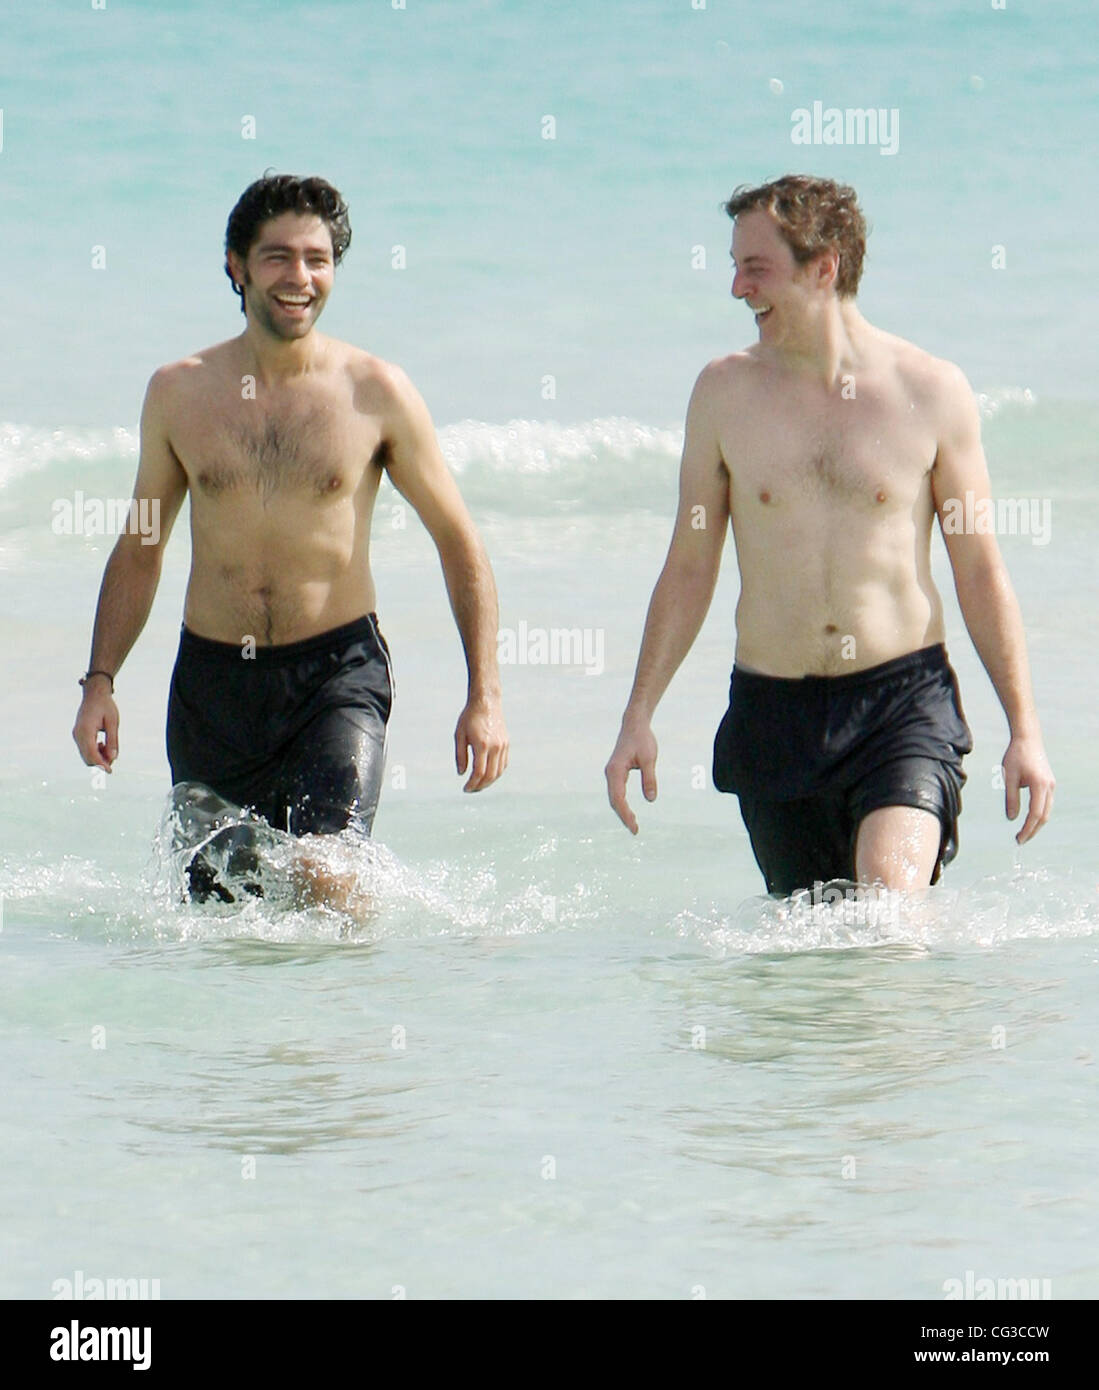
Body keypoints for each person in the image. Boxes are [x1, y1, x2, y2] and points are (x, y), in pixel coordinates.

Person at [605, 174, 1053, 897]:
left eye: (755, 268)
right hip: (772, 711)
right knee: (809, 952)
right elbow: (689, 565)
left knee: (887, 908)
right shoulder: (722, 395)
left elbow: (978, 569)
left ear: (824, 266)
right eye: (733, 265)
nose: (735, 288)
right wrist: (638, 715)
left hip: (899, 703)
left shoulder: (930, 391)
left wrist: (1023, 730)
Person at [73, 173, 508, 907]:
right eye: (277, 257)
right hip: (214, 687)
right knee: (220, 918)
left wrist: (484, 695)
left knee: (331, 876)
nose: (299, 277)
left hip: (334, 676)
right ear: (236, 266)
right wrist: (100, 683)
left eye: (317, 258)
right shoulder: (178, 392)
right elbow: (143, 543)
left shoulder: (376, 391)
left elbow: (458, 541)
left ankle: (353, 1014)